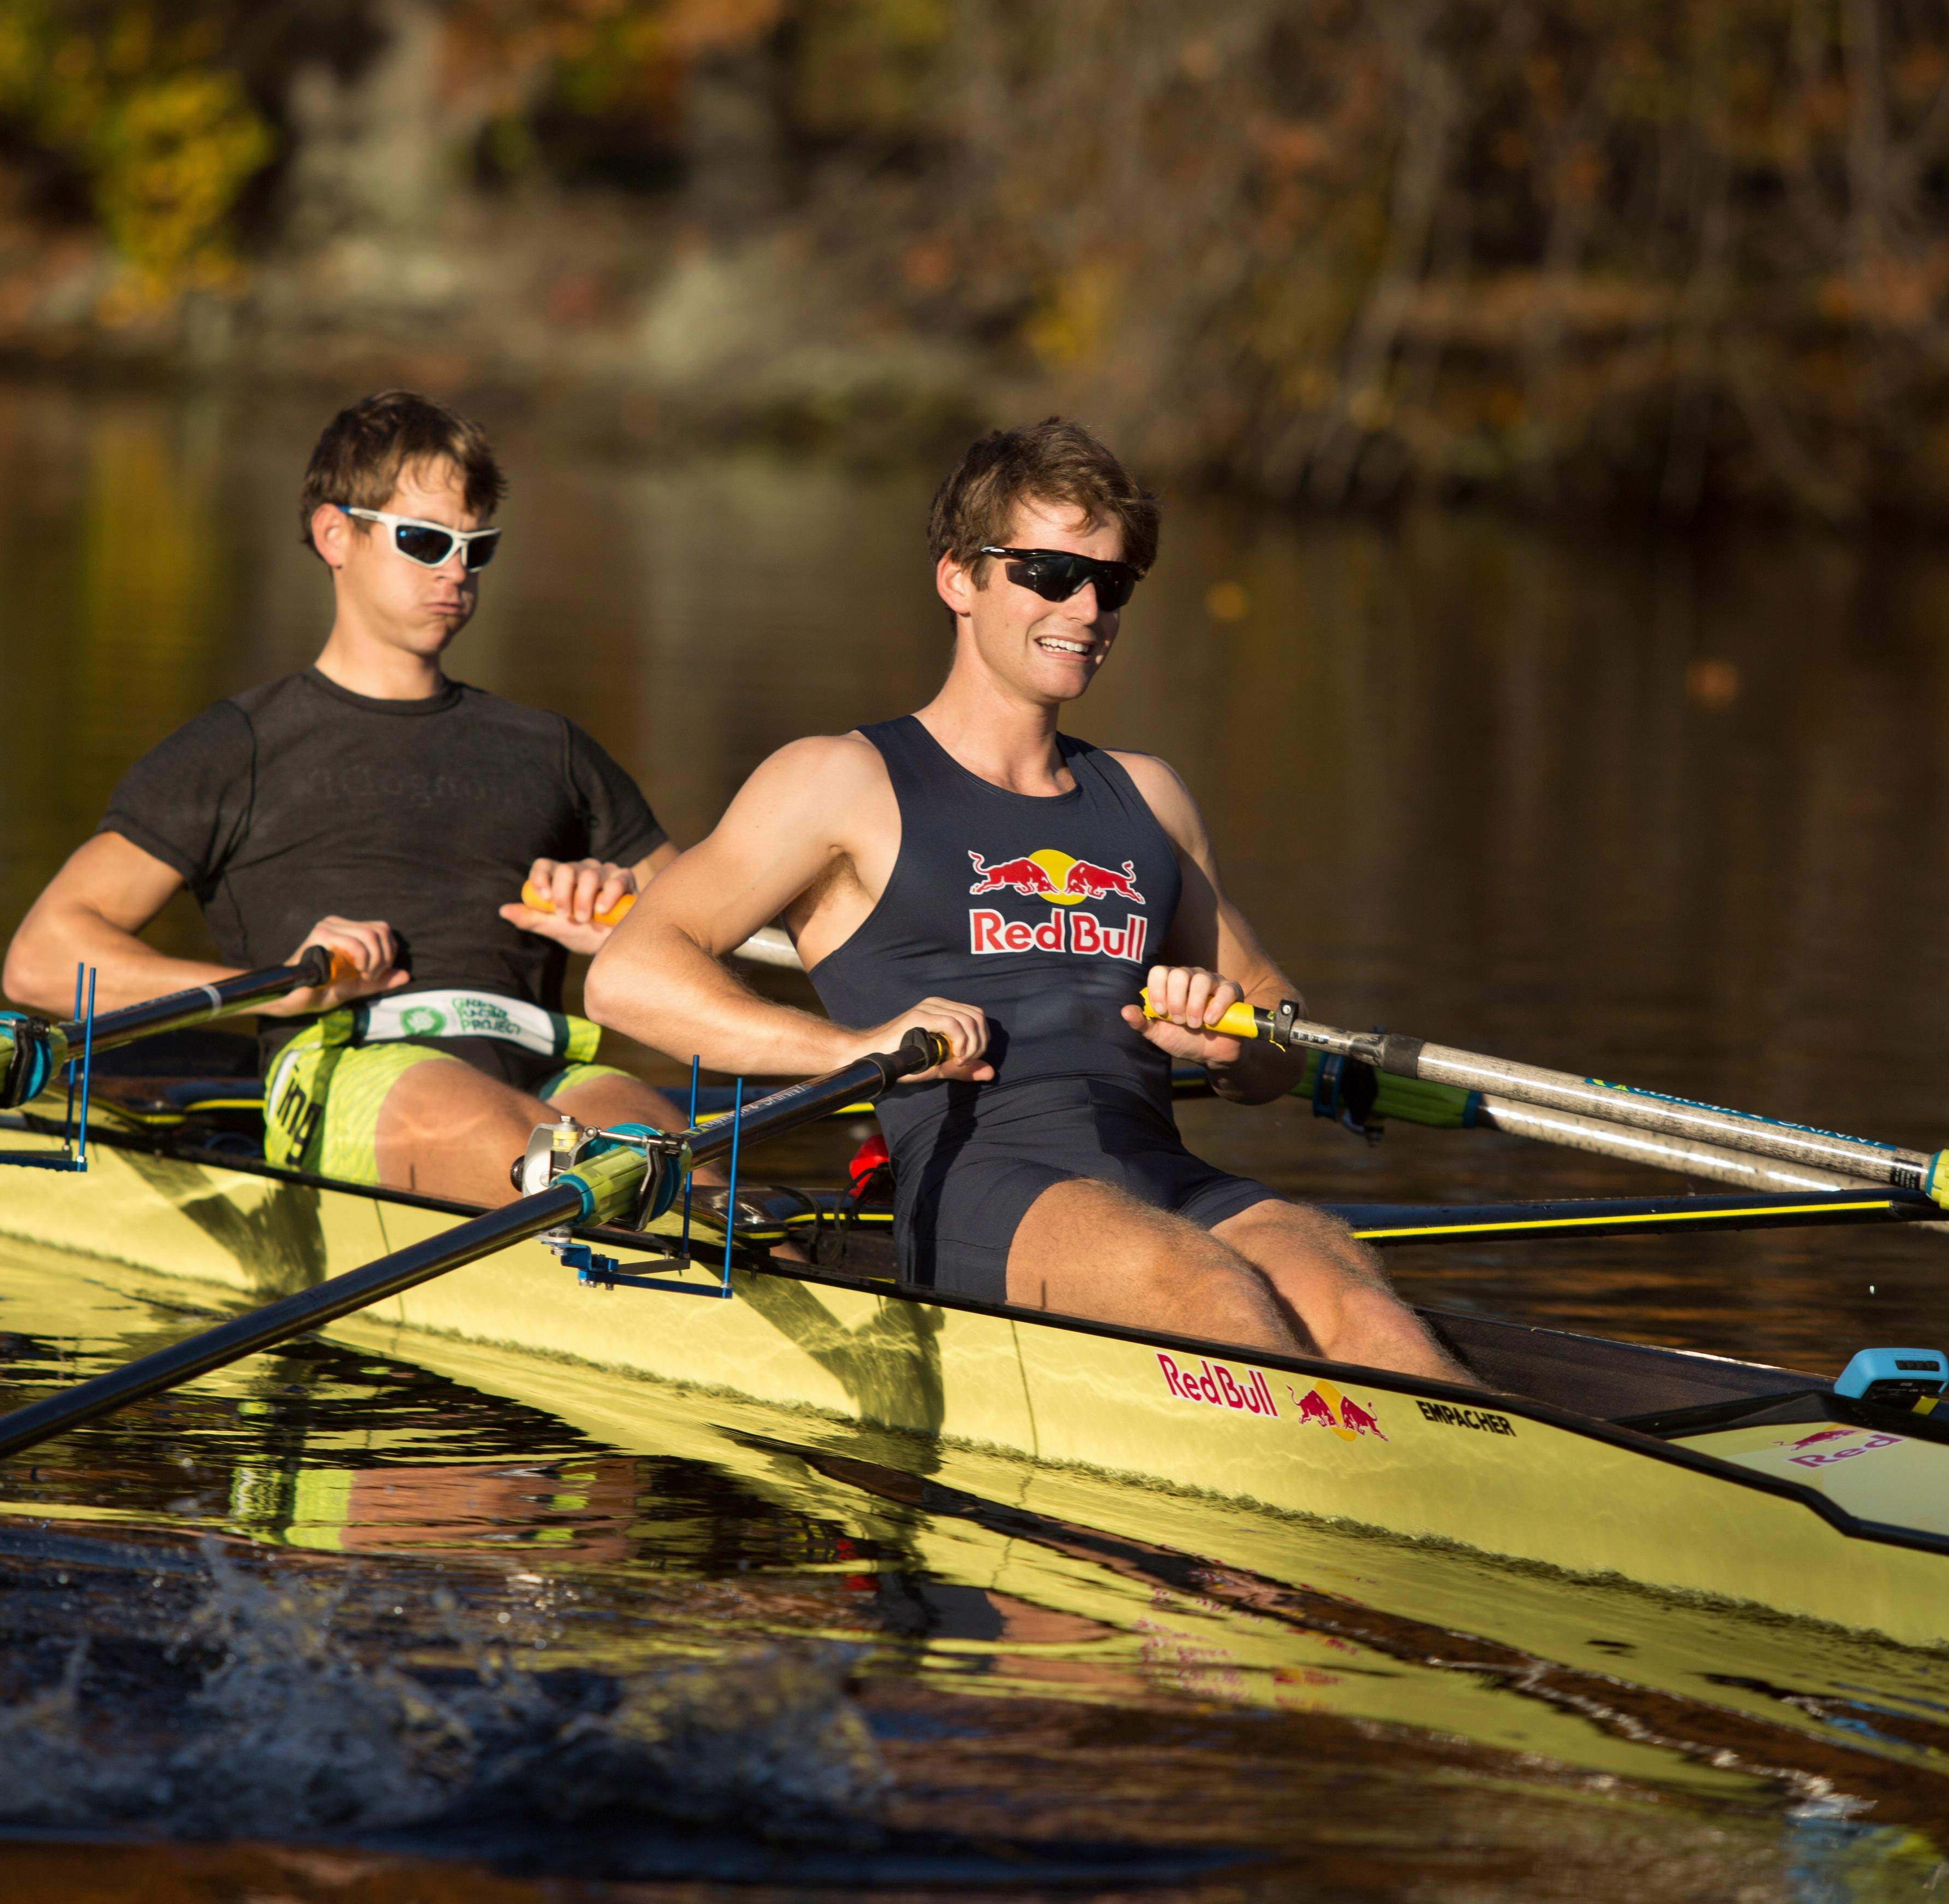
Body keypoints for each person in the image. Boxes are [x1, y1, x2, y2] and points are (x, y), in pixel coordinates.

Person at [585, 418, 1478, 1379]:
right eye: (1051, 574)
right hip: (983, 1187)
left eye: (1113, 582)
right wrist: (847, 1050)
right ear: (959, 579)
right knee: (1210, 1292)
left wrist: (1230, 1039)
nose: (1088, 607)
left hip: (1162, 1174)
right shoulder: (840, 781)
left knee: (1361, 1306)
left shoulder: (1150, 796)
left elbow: (1270, 1038)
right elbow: (630, 978)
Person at [2, 390, 692, 1205]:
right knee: (553, 1169)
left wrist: (624, 930)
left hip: (556, 1068)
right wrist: (279, 981)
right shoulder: (239, 747)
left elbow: (698, 940)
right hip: (348, 1064)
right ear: (337, 535)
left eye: (477, 548)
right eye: (427, 541)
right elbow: (42, 958)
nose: (456, 571)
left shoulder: (556, 748)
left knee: (703, 1194)